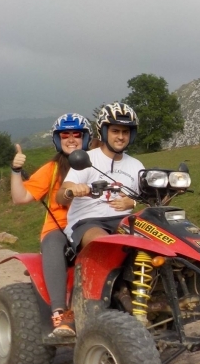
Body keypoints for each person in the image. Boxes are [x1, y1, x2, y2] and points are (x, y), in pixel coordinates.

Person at [10, 113, 92, 337]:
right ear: (58, 139)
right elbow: (21, 197)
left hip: (92, 225)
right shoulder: (52, 169)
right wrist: (16, 171)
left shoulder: (97, 164)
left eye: (77, 134)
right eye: (65, 135)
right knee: (54, 242)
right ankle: (61, 314)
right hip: (61, 229)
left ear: (86, 138)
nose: (72, 139)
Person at [57, 102, 144, 252]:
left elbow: (151, 201)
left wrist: (134, 203)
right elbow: (59, 197)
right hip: (87, 223)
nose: (121, 137)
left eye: (126, 132)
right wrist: (71, 190)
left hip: (124, 222)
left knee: (158, 242)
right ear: (104, 132)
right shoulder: (87, 159)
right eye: (115, 131)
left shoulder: (137, 166)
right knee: (105, 243)